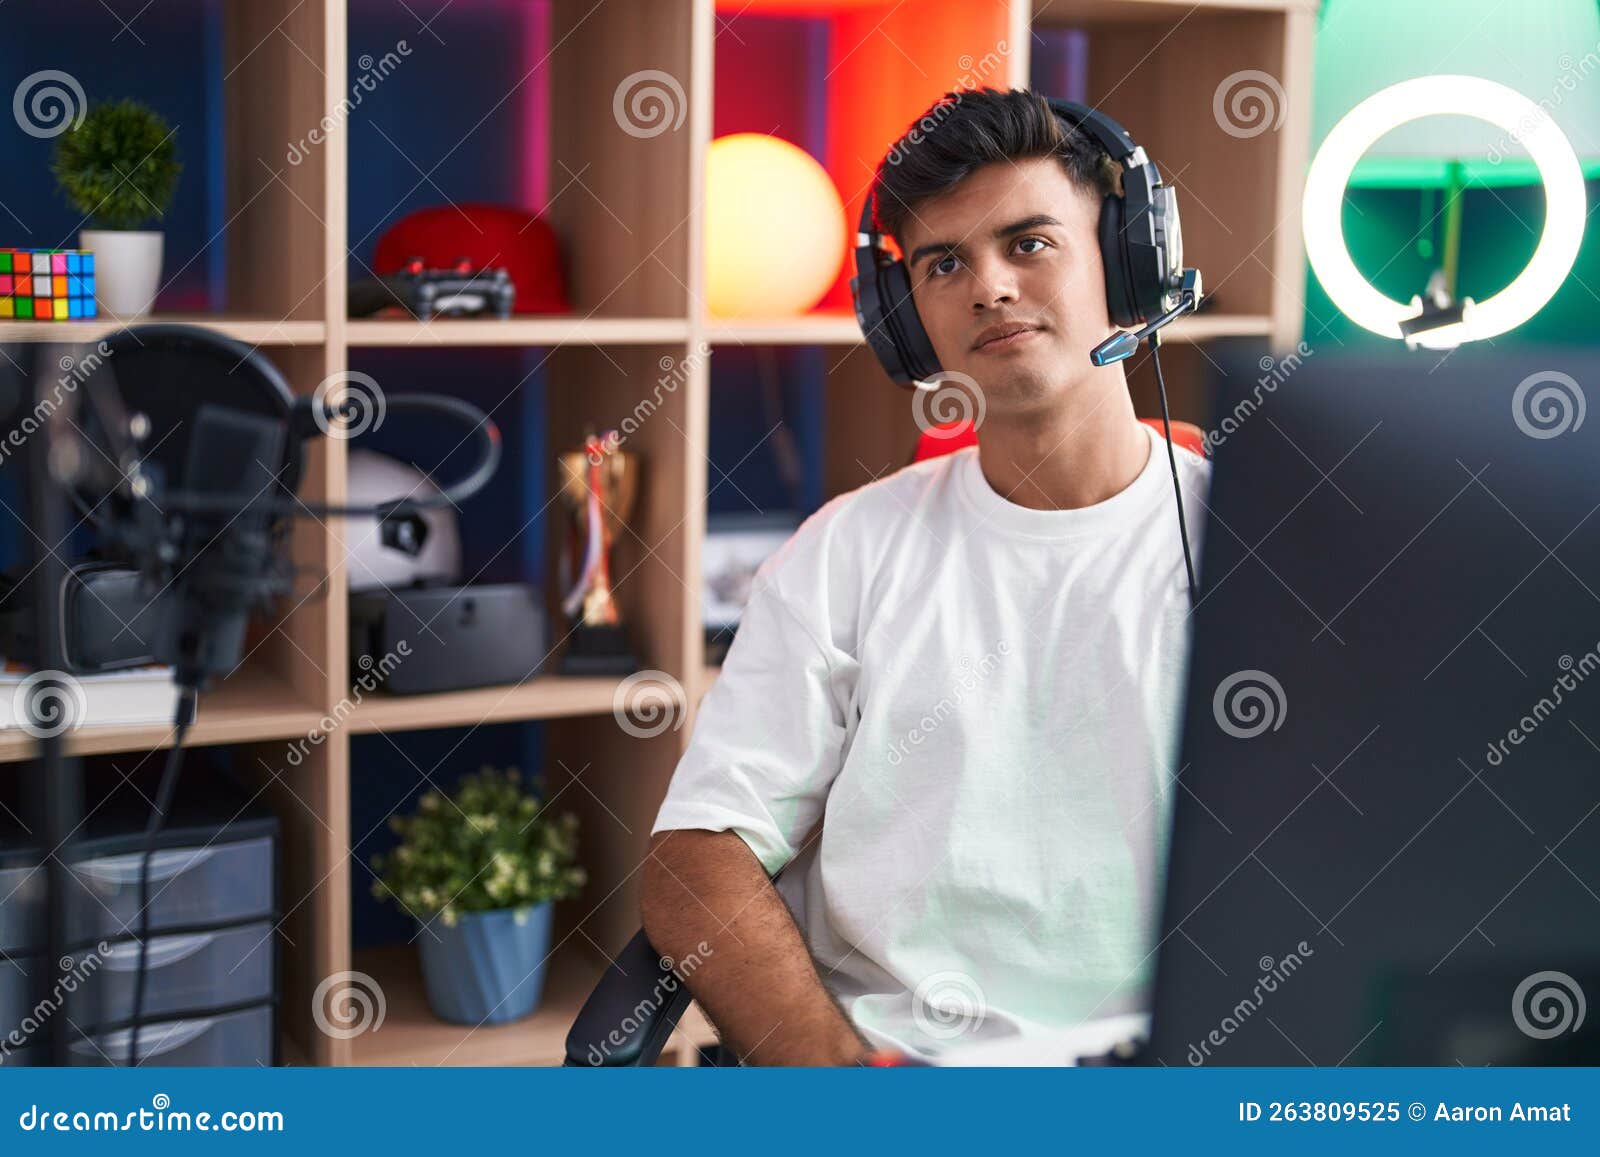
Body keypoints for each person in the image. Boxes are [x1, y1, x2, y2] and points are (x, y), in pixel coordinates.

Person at [641, 86, 1211, 1065]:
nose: (988, 286)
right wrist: (842, 1085)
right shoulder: (844, 552)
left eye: (1029, 243)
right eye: (945, 263)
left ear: (1127, 262)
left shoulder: (1251, 548)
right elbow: (695, 859)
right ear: (908, 318)